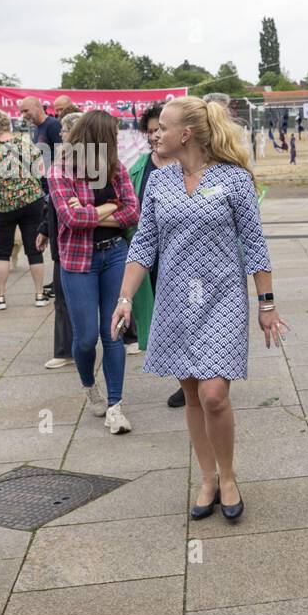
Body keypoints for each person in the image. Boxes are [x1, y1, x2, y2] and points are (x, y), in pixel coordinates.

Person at [114, 96, 284, 523]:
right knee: (191, 393)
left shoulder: (233, 179)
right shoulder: (159, 182)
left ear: (185, 134)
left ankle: (228, 475)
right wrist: (125, 298)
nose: (155, 134)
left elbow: (255, 244)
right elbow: (144, 244)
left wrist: (267, 304)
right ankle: (206, 477)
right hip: (174, 298)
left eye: (163, 127)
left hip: (222, 297)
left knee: (214, 394)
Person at [47, 110, 140, 434]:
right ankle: (90, 385)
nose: (117, 141)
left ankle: (116, 406)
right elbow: (70, 221)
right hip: (77, 261)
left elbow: (133, 213)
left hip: (115, 255)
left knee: (113, 332)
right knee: (85, 338)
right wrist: (110, 206)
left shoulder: (116, 170)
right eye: (112, 136)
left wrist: (95, 211)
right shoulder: (60, 171)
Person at [129, 102, 186, 409]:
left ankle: (207, 375)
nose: (155, 136)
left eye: (160, 130)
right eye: (150, 131)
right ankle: (186, 381)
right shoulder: (139, 169)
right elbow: (132, 212)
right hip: (155, 261)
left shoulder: (192, 163)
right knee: (170, 322)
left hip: (191, 259)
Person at [20, 96, 74, 369]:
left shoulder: (52, 128)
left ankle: (125, 337)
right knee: (66, 291)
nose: (23, 114)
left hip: (66, 219)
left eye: (26, 110)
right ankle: (67, 349)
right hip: (52, 208)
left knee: (71, 290)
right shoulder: (39, 130)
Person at [0, 109, 47, 309]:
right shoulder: (27, 145)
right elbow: (39, 173)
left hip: (3, 205)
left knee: (2, 251)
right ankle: (40, 295)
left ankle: (0, 297)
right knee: (34, 249)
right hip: (32, 201)